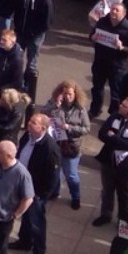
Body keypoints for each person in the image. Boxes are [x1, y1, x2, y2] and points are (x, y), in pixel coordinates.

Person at [10, 111, 63, 254]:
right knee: (25, 216)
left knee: (36, 221)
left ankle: (39, 250)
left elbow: (53, 176)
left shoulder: (50, 148)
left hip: (36, 191)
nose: (29, 124)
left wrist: (41, 195)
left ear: (43, 128)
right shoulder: (27, 136)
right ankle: (24, 241)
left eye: (33, 123)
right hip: (22, 184)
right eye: (30, 121)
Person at [95, 98, 128, 227]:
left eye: (124, 106)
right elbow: (101, 134)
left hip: (125, 167)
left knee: (124, 194)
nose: (120, 106)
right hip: (108, 161)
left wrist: (113, 137)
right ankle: (106, 214)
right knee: (107, 190)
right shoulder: (114, 117)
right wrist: (118, 141)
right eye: (122, 104)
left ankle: (123, 219)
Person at [41, 80, 89, 211]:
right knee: (55, 170)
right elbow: (43, 113)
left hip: (71, 146)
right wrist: (55, 106)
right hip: (56, 143)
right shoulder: (54, 102)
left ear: (75, 94)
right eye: (65, 94)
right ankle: (54, 191)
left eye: (70, 94)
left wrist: (69, 127)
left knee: (71, 175)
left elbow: (86, 129)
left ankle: (76, 197)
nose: (67, 97)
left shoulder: (80, 109)